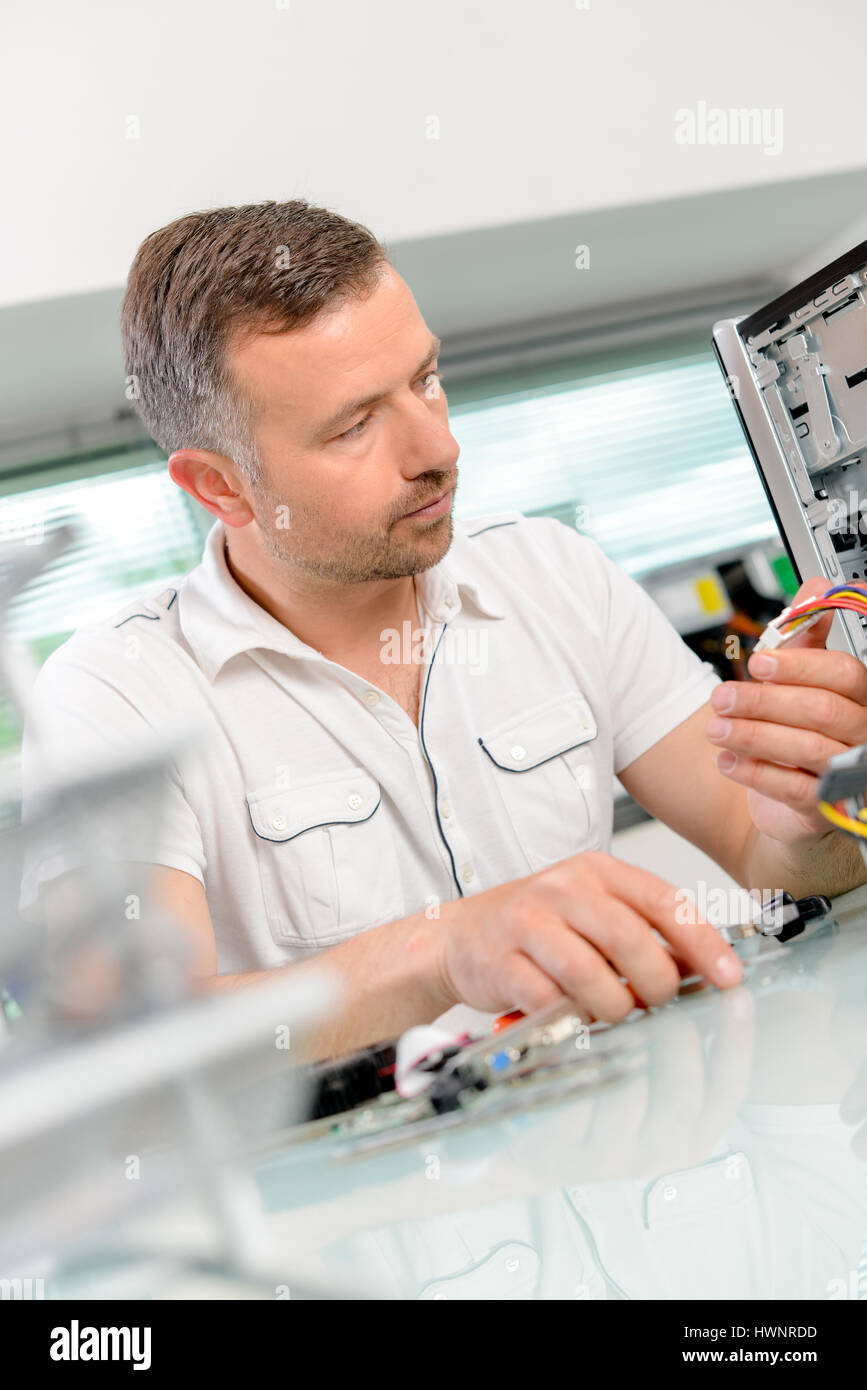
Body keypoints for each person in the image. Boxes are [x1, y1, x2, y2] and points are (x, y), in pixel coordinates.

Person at [20, 200, 867, 1057]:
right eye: (354, 426)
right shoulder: (115, 692)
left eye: (424, 378)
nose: (437, 447)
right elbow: (124, 1046)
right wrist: (437, 951)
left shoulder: (553, 575)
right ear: (220, 487)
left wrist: (813, 817)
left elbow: (773, 857)